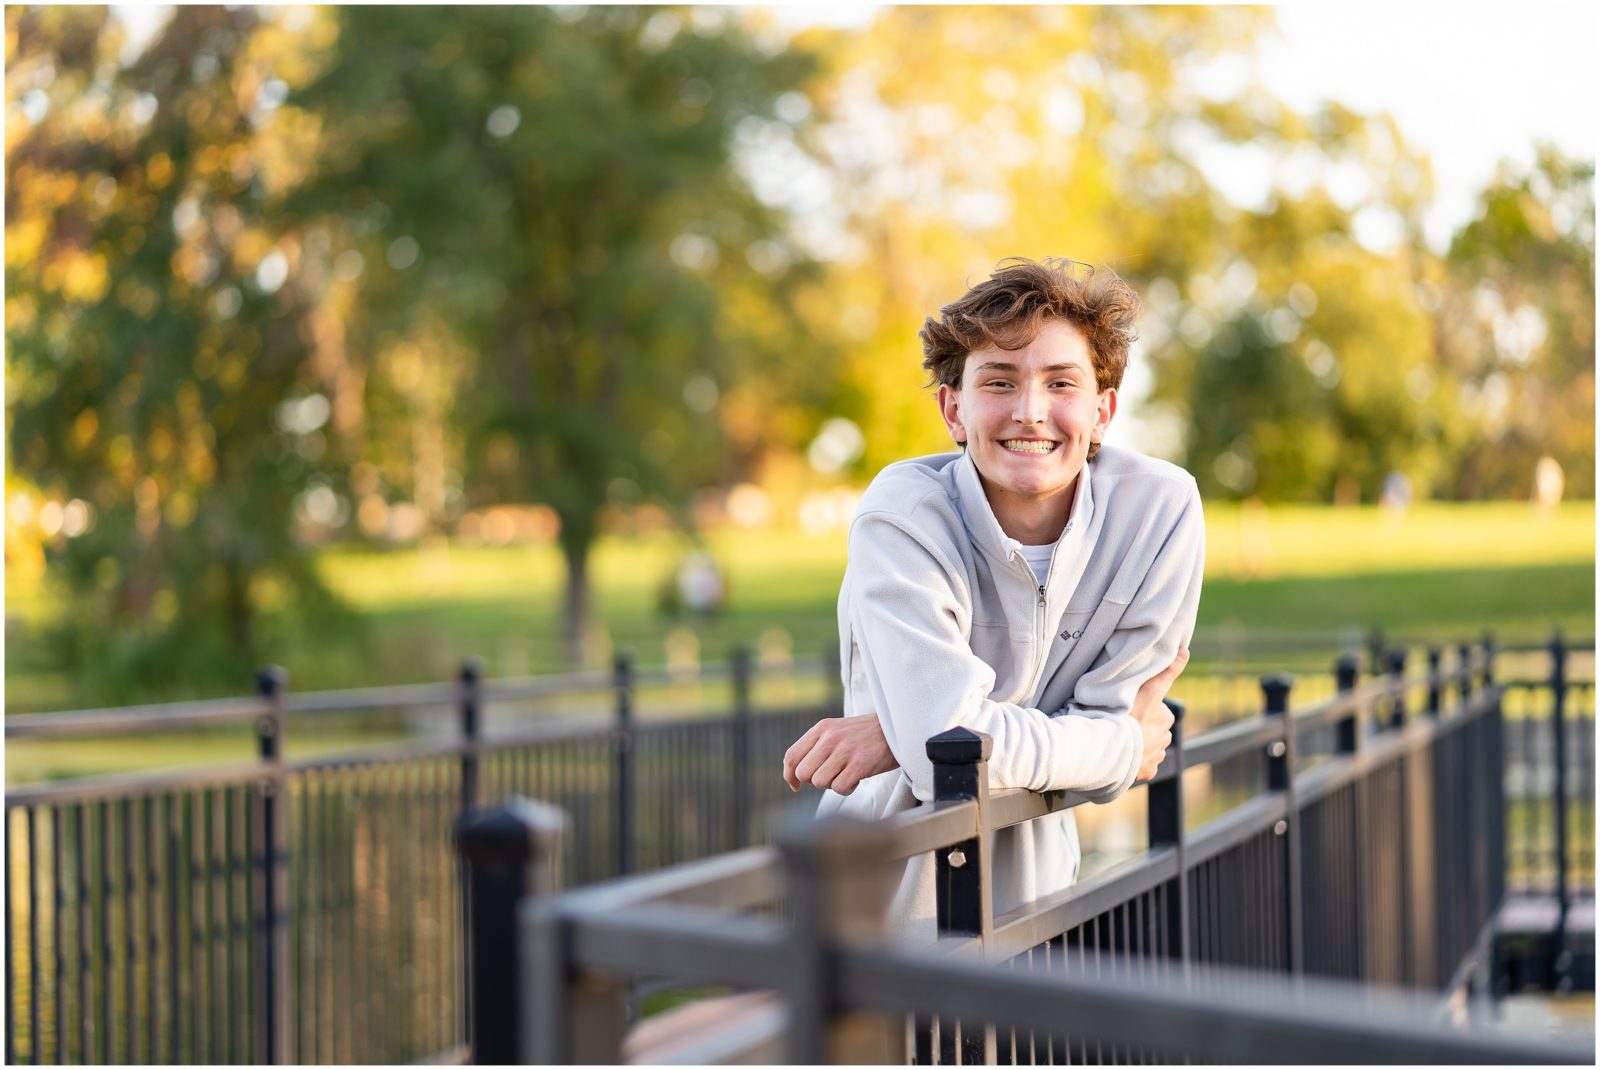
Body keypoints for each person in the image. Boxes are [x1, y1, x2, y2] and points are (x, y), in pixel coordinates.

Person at [782, 257, 1204, 938]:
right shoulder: (901, 516)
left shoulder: (1159, 511)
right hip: (881, 905)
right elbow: (947, 759)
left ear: (1102, 411)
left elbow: (956, 740)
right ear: (954, 409)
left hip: (1042, 905)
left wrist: (905, 731)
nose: (1030, 411)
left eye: (1061, 383)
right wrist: (1117, 749)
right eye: (999, 381)